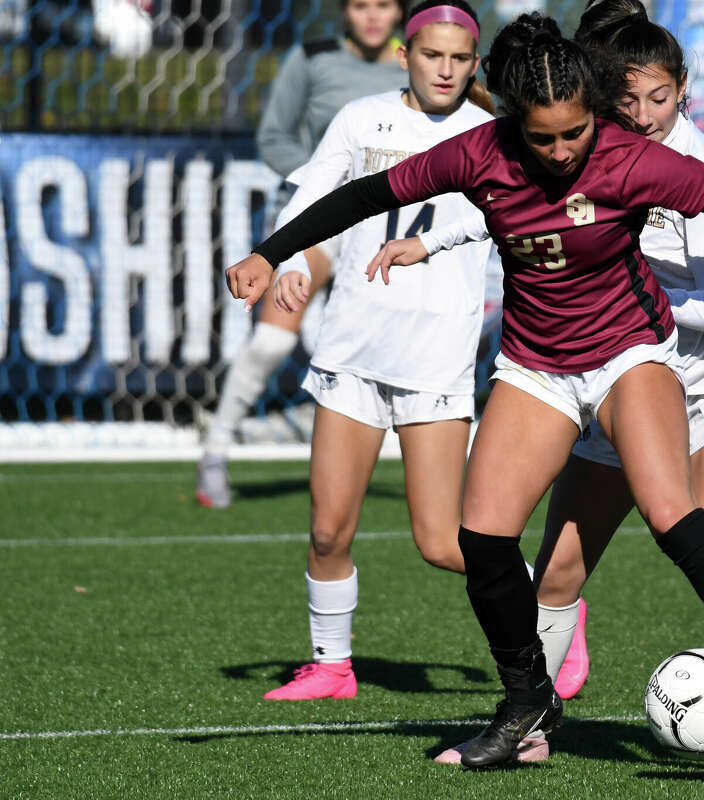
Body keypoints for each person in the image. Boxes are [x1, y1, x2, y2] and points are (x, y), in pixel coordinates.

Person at [226, 13, 704, 768]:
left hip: (630, 353)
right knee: (482, 535)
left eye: (575, 134)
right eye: (544, 138)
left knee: (671, 516)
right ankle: (527, 700)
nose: (562, 151)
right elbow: (361, 197)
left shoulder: (630, 160)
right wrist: (270, 252)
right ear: (510, 122)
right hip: (537, 366)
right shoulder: (478, 152)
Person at [408, 0, 704, 759]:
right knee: (559, 566)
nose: (639, 113)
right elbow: (521, 212)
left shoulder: (694, 170)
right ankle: (533, 723)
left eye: (655, 98)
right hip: (617, 372)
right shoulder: (591, 153)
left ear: (683, 90)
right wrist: (433, 243)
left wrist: (629, 284)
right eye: (622, 100)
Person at [253, 0, 500, 702]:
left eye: (459, 58)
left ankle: (554, 603)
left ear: (474, 63)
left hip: (434, 359)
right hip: (352, 352)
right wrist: (288, 259)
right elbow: (312, 191)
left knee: (444, 543)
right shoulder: (361, 120)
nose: (446, 69)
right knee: (328, 530)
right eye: (432, 56)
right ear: (404, 56)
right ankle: (331, 666)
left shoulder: (494, 137)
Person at [195, 0, 411, 509]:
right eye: (361, 5)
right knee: (272, 341)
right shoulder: (313, 59)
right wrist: (323, 181)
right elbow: (273, 136)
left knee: (395, 341)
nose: (373, 16)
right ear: (344, 11)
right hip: (316, 219)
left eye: (384, 5)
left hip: (388, 224)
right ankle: (215, 452)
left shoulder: (417, 61)